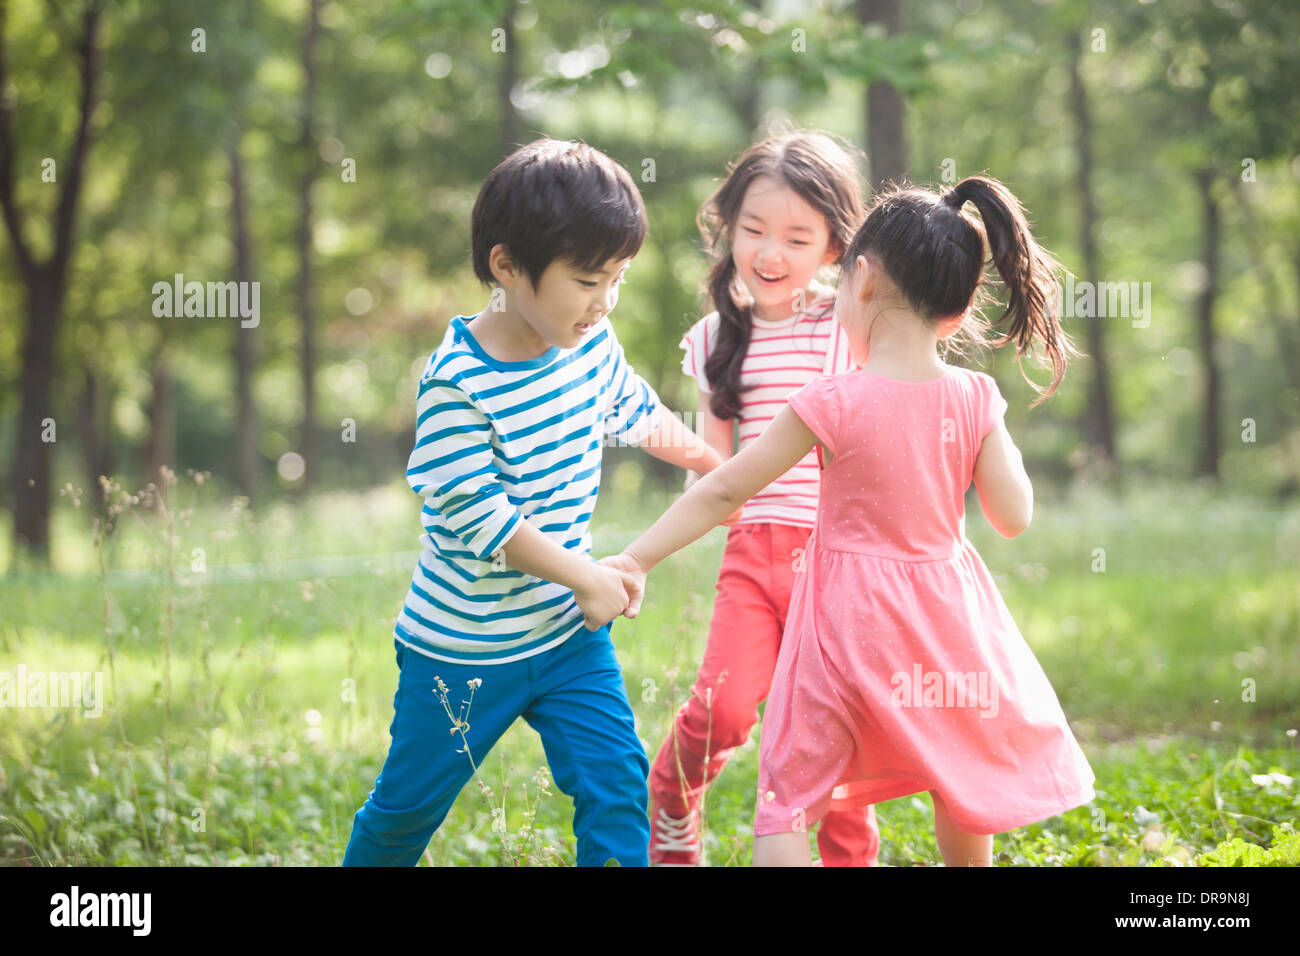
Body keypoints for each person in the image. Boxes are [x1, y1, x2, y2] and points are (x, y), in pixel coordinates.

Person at [600, 175, 1097, 866]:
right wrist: (992, 423)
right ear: (954, 315)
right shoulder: (975, 397)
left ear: (859, 279)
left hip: (844, 623)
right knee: (960, 774)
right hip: (945, 624)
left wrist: (634, 559)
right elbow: (1013, 517)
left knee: (793, 787)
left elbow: (722, 490)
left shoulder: (830, 401)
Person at [342, 139, 725, 867]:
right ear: (506, 266)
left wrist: (708, 461)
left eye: (617, 278)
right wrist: (584, 575)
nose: (604, 301)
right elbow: (483, 518)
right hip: (459, 651)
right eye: (586, 280)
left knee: (615, 783)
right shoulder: (457, 384)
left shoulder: (590, 342)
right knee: (404, 813)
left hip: (565, 640)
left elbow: (634, 409)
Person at [639, 131, 880, 866]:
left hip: (836, 561)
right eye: (753, 231)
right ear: (729, 229)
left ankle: (848, 853)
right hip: (753, 554)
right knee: (726, 708)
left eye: (797, 238)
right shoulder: (717, 336)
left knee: (840, 723)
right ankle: (674, 798)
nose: (770, 253)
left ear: (834, 250)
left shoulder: (844, 329)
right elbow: (713, 461)